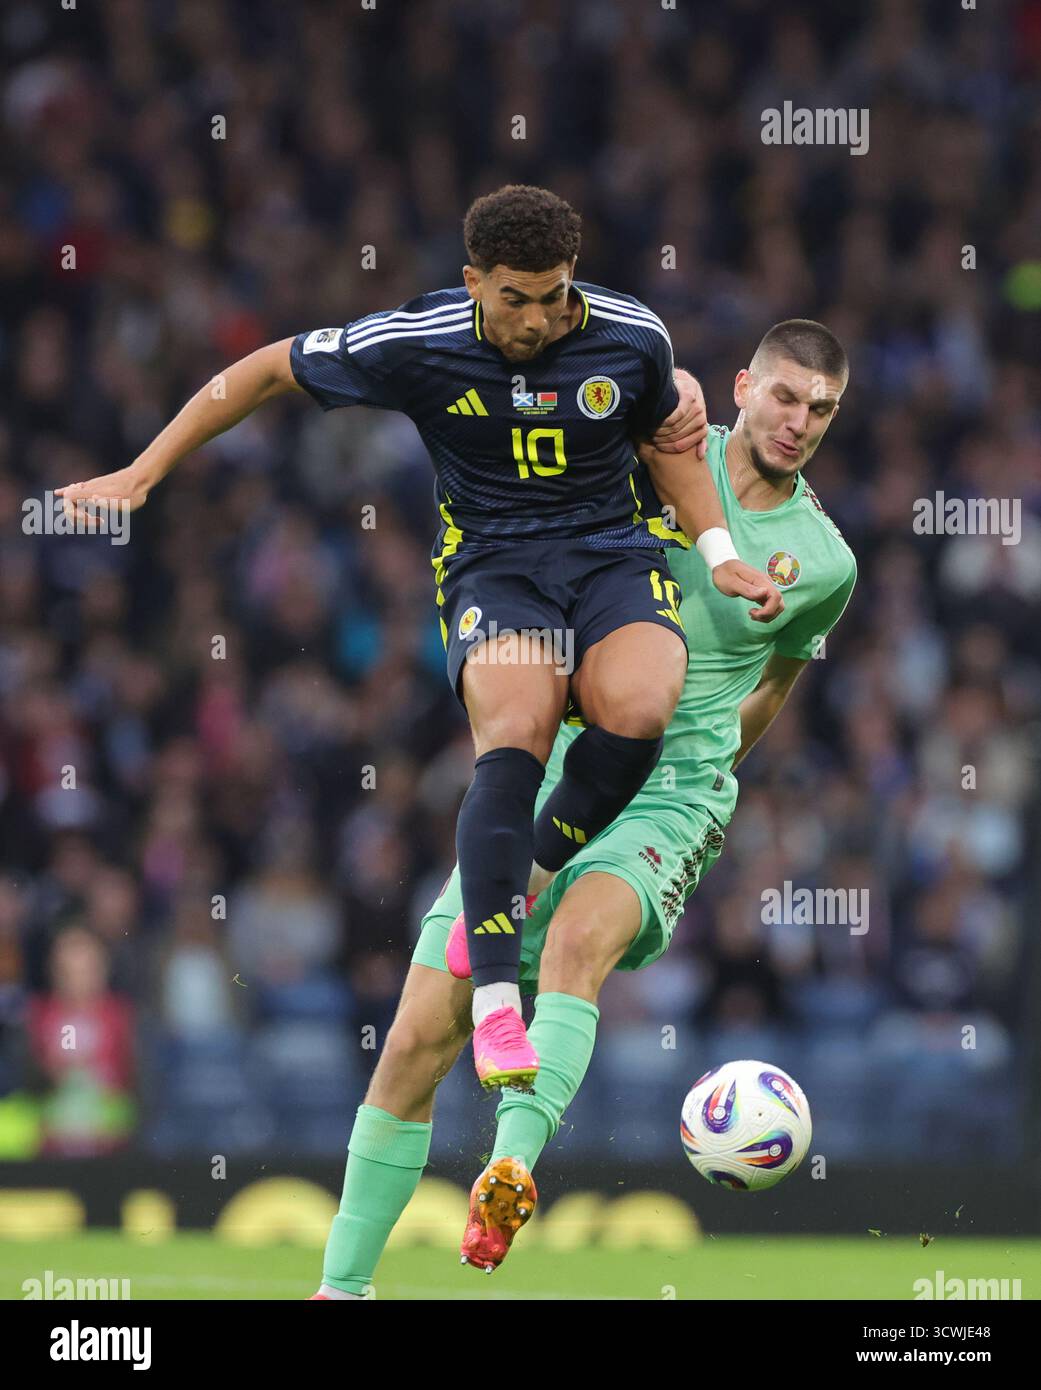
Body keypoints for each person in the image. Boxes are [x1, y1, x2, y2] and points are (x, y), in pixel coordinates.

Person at [57, 184, 781, 1091]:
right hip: (494, 567)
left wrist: (716, 552)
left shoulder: (633, 338)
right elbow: (268, 368)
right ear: (473, 280)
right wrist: (144, 467)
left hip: (609, 556)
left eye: (553, 294)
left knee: (640, 707)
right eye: (512, 297)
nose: (534, 318)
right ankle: (493, 1006)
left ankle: (525, 874)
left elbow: (670, 449)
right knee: (514, 729)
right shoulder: (416, 341)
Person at [309, 318, 856, 1298]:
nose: (798, 421)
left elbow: (771, 685)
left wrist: (707, 777)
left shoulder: (823, 562)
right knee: (417, 1038)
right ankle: (340, 1289)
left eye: (820, 409)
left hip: (673, 794)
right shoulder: (645, 463)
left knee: (577, 945)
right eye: (785, 396)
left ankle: (510, 1168)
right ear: (741, 387)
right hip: (564, 756)